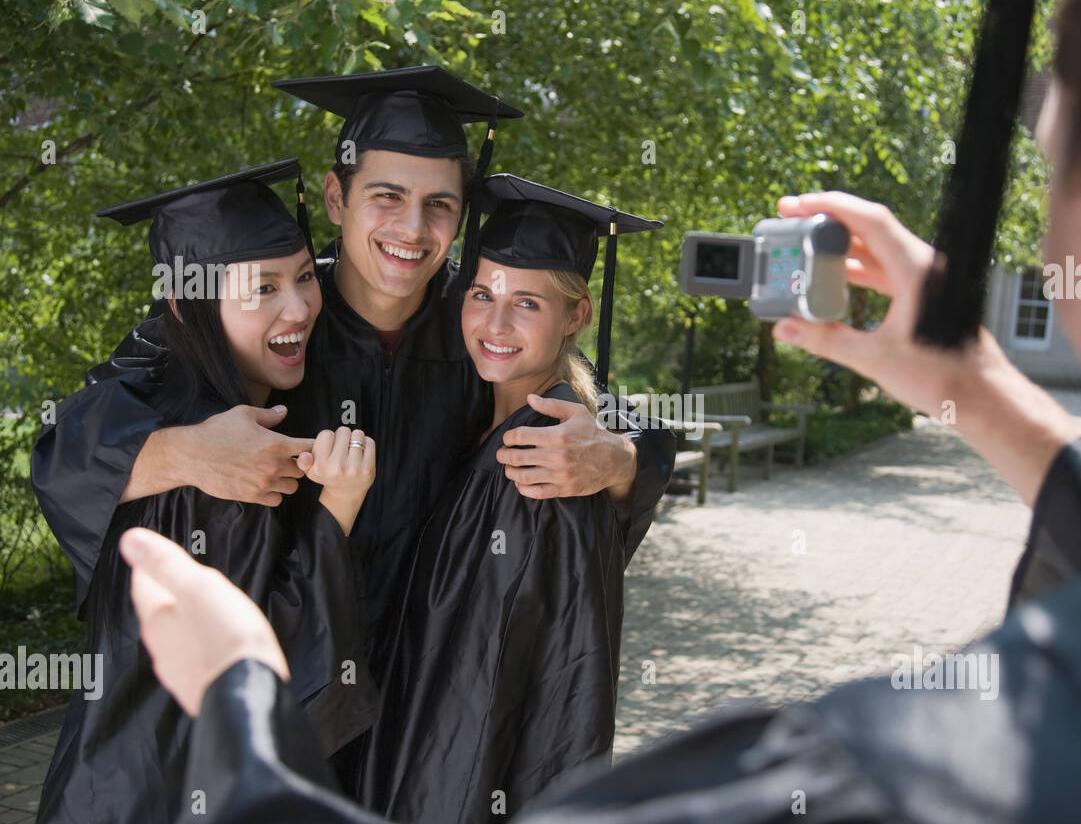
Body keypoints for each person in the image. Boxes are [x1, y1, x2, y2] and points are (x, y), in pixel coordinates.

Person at [115, 0, 1081, 824]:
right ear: (337, 197)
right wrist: (972, 391)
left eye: (1051, 143)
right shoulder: (291, 318)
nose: (433, 256)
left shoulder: (893, 815)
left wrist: (244, 698)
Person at [29, 67, 676, 668]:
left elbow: (619, 424)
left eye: (441, 205)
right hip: (294, 678)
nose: (413, 228)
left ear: (464, 218)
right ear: (337, 197)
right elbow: (71, 441)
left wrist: (618, 461)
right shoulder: (267, 324)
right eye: (387, 196)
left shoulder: (486, 329)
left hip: (427, 687)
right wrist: (184, 454)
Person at [32, 161, 380, 824]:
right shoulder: (224, 461)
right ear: (189, 309)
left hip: (107, 815)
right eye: (261, 288)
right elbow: (270, 667)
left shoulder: (164, 396)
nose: (298, 307)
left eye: (302, 277)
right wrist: (337, 513)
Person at [353, 176, 663, 824]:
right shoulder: (521, 428)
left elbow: (485, 690)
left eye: (528, 302)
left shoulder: (538, 462)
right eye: (483, 293)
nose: (496, 322)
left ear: (575, 314)